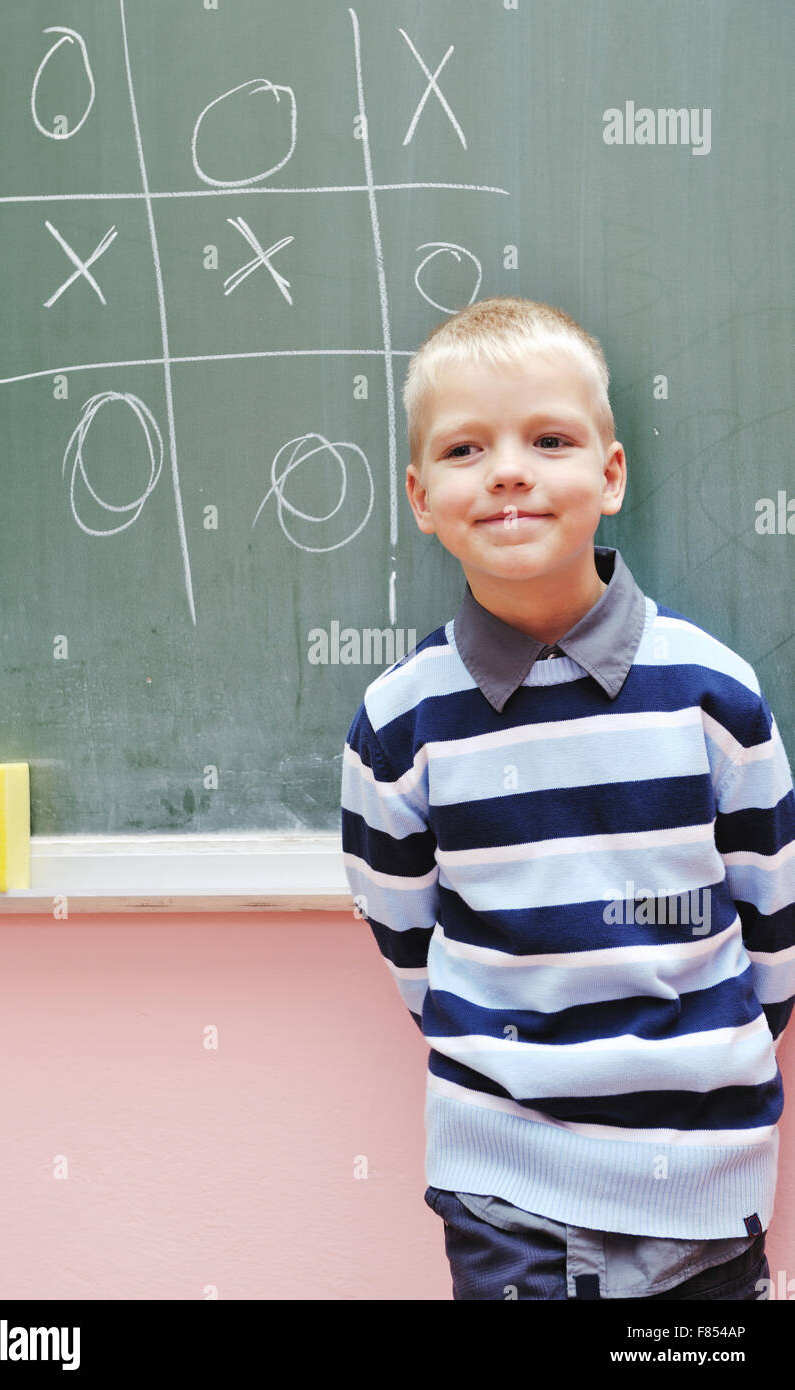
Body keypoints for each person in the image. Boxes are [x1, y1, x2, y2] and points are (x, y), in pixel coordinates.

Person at [340, 295, 795, 1300]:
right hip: (503, 1182)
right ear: (418, 496)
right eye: (464, 449)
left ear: (610, 473)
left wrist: (699, 1066)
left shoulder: (711, 694)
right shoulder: (399, 722)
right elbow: (408, 937)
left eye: (547, 438)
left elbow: (772, 926)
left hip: (704, 1179)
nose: (506, 469)